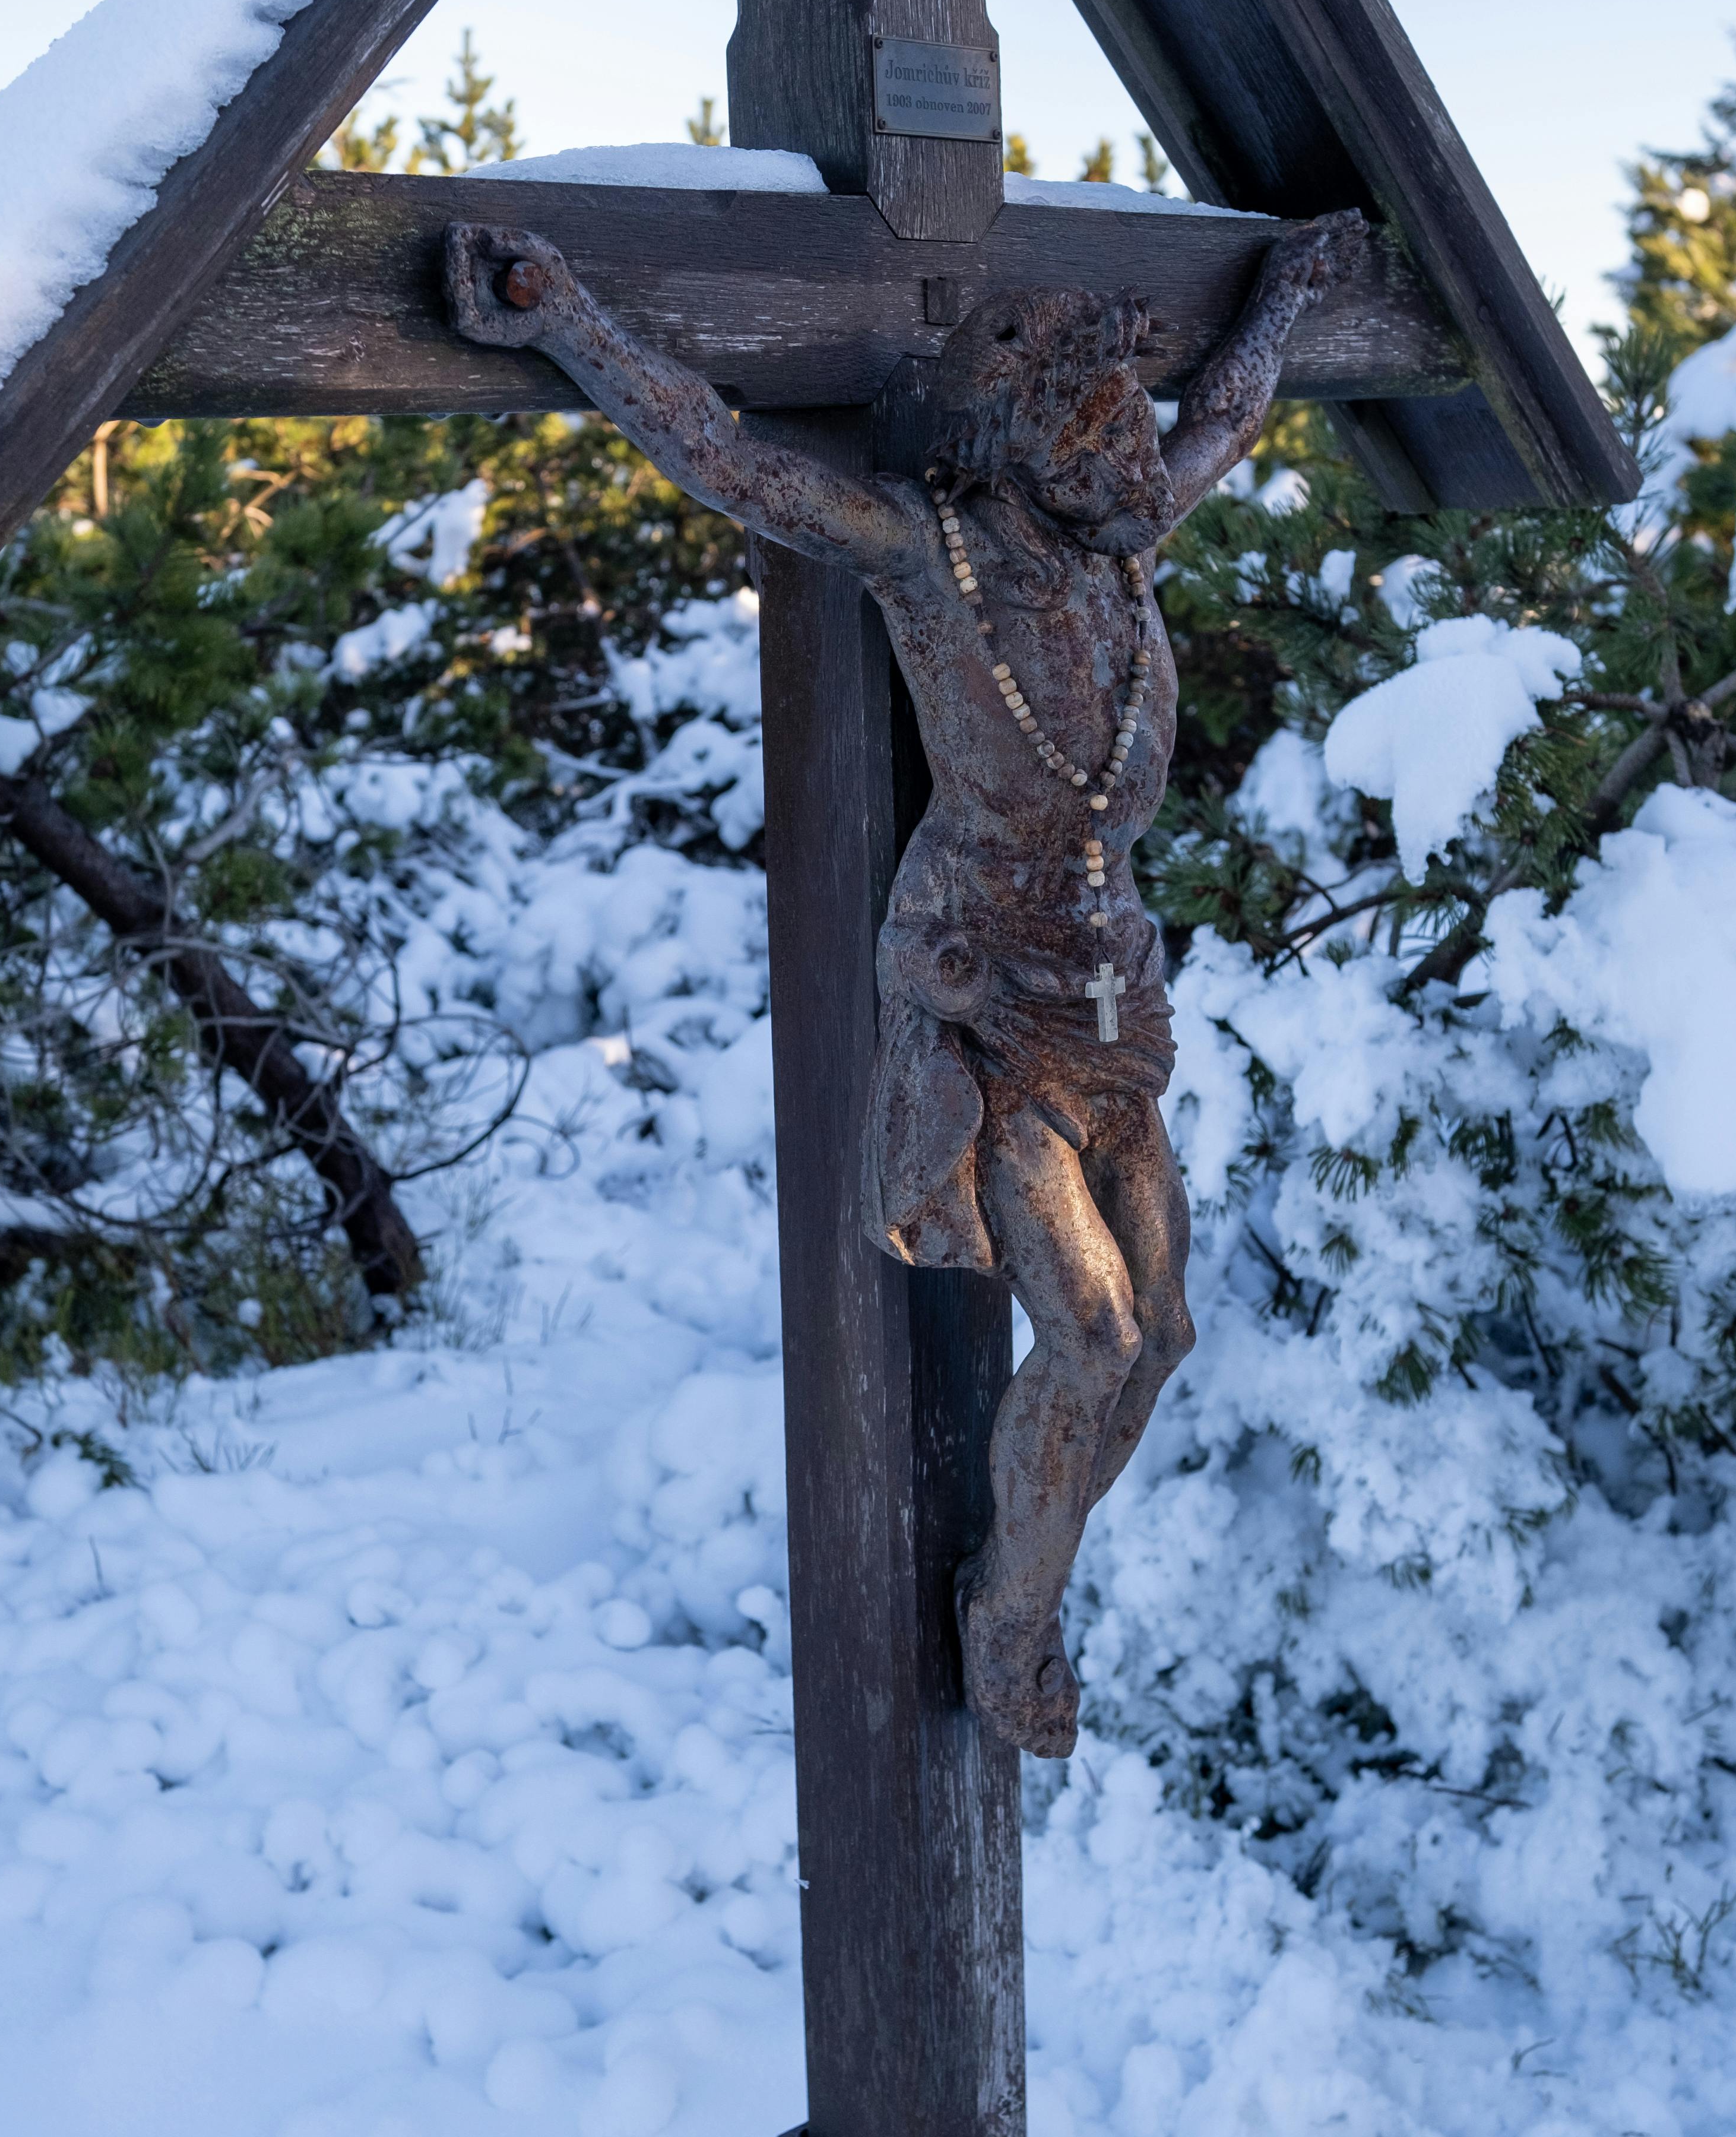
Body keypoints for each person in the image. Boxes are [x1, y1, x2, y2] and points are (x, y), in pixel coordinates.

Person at [443, 207, 1366, 1755]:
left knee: (1167, 1341)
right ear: (1029, 451)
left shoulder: (1120, 557)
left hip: (1115, 1010)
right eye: (1106, 449)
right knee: (1093, 1337)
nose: (1144, 475)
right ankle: (1011, 1623)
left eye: (1138, 454)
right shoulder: (933, 558)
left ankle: (1031, 1576)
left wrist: (1282, 295)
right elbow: (730, 460)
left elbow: (1226, 416)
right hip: (987, 1006)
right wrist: (565, 320)